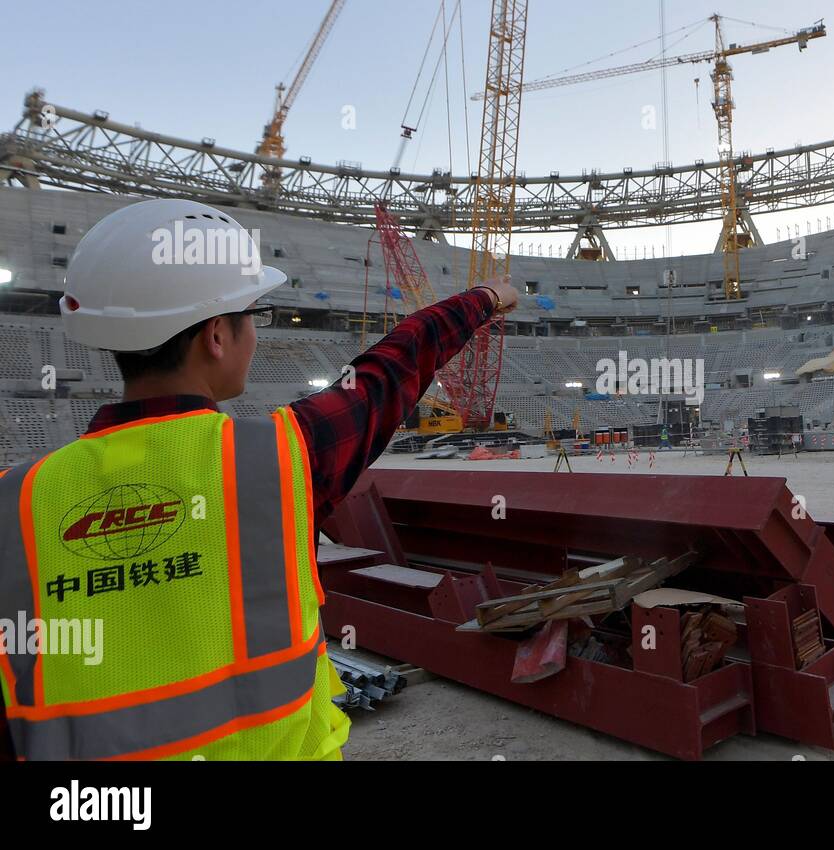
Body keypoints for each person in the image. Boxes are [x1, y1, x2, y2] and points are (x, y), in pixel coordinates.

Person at [0, 198, 517, 760]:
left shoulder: (14, 502)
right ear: (216, 336)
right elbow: (393, 367)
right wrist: (484, 300)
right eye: (255, 315)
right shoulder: (280, 457)